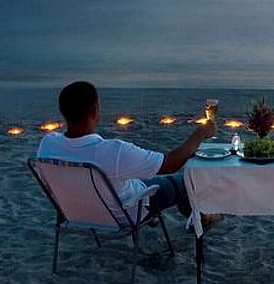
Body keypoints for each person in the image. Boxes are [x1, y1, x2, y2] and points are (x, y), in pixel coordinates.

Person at [37, 81, 216, 222]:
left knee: (133, 176)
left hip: (77, 213)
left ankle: (187, 216)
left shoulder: (48, 144)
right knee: (186, 180)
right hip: (126, 212)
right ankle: (202, 218)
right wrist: (200, 134)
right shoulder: (112, 151)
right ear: (95, 110)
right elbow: (169, 165)